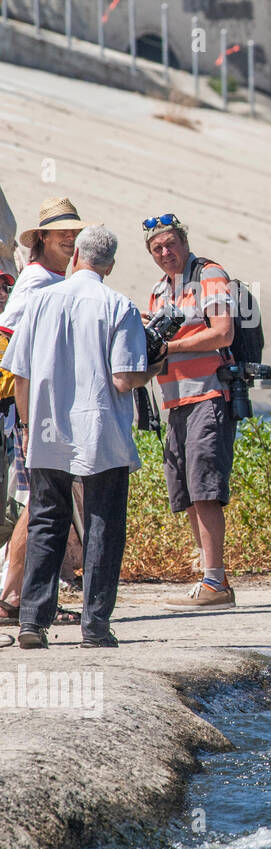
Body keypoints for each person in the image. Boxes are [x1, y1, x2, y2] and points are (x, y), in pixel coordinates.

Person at [1, 226, 161, 648]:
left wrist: (28, 425)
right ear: (110, 265)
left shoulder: (40, 302)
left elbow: (20, 373)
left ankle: (32, 623)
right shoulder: (118, 306)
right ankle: (94, 625)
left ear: (76, 259)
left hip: (48, 430)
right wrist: (154, 369)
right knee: (103, 525)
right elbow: (125, 379)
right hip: (101, 433)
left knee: (45, 524)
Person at [0, 197, 89, 627]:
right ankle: (12, 595)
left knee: (42, 502)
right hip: (29, 406)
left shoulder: (53, 277)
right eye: (62, 233)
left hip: (42, 405)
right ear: (43, 238)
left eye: (74, 232)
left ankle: (22, 594)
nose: (70, 239)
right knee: (38, 502)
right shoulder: (38, 279)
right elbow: (13, 341)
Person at [143, 215, 239, 610]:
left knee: (205, 490)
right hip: (174, 402)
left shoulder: (210, 275)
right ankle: (213, 577)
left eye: (171, 244)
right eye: (157, 249)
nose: (166, 253)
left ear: (184, 241)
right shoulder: (157, 291)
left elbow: (223, 332)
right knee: (185, 491)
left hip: (208, 395)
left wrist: (170, 348)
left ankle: (214, 583)